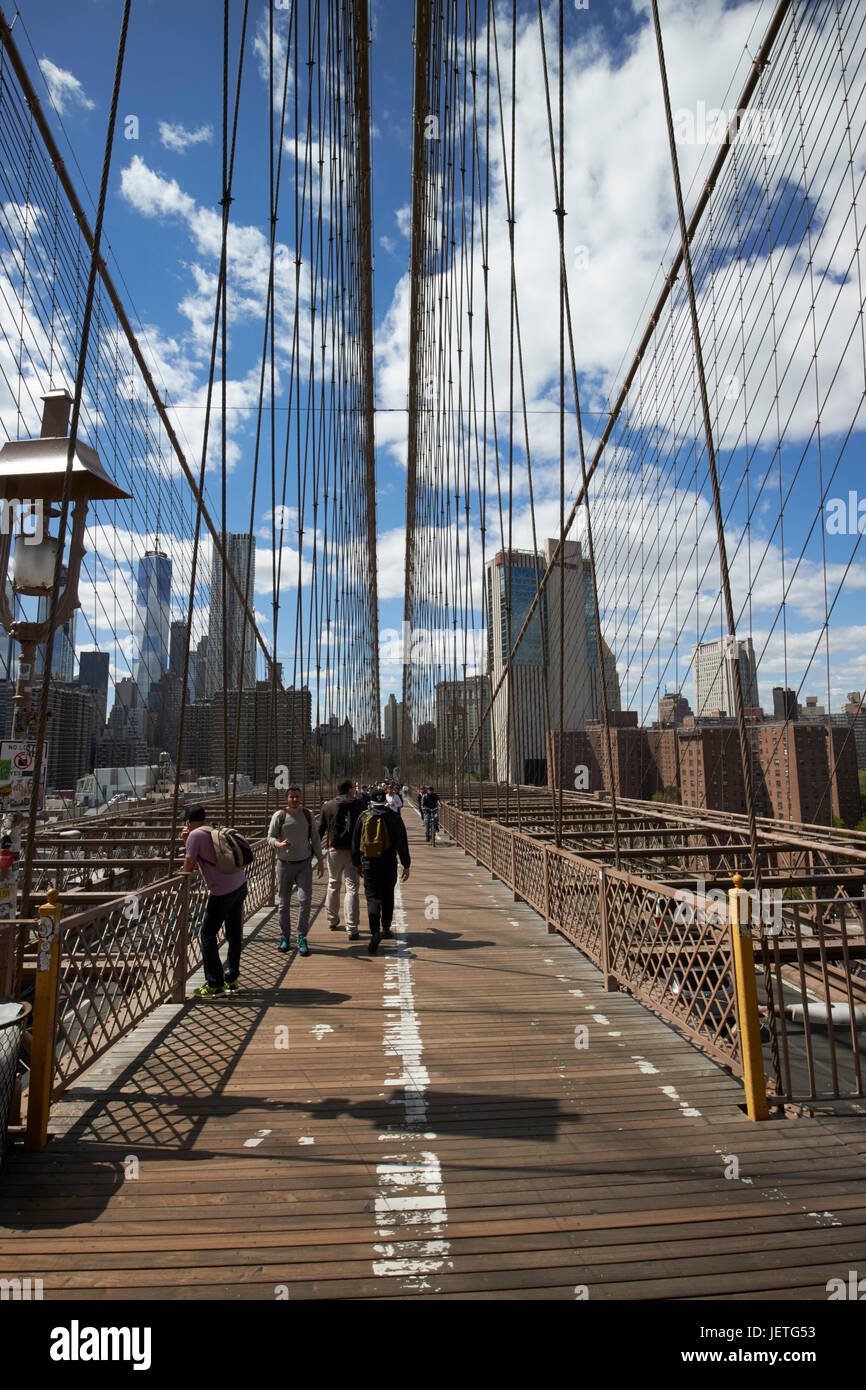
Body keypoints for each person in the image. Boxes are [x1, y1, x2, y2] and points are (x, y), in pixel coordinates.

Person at [182, 804, 248, 997]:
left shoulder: (195, 836)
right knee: (234, 934)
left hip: (222, 892)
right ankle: (232, 979)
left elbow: (188, 867)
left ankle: (215, 983)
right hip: (239, 884)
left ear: (189, 821)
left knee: (207, 935)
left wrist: (186, 842)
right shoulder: (213, 829)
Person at [351, 788, 410, 954]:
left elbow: (355, 842)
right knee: (388, 895)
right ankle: (386, 928)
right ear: (385, 801)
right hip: (389, 863)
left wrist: (357, 863)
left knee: (372, 897)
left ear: (370, 802)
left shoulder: (363, 817)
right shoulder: (394, 817)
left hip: (369, 864)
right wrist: (406, 865)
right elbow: (402, 843)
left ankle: (374, 931)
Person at [267, 786, 325, 957]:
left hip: (304, 864)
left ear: (301, 798)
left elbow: (315, 838)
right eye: (291, 797)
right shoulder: (279, 815)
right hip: (284, 864)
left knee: (304, 900)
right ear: (287, 798)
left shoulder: (307, 814)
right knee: (284, 903)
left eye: (297, 797)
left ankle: (301, 937)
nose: (294, 799)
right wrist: (278, 845)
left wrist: (320, 860)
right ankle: (284, 938)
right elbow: (269, 837)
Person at [318, 778, 364, 940]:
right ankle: (352, 928)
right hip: (353, 850)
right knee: (352, 888)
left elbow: (321, 830)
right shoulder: (359, 804)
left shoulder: (328, 805)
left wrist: (315, 852)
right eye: (354, 787)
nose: (356, 790)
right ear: (349, 789)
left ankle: (332, 920)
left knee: (333, 883)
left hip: (333, 849)